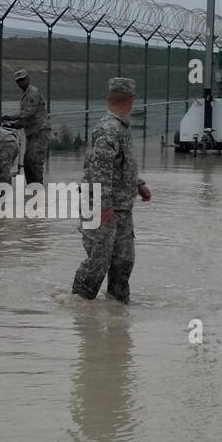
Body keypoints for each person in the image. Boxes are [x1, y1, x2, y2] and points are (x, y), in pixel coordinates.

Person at [71, 77, 152, 303]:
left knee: (123, 261)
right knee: (98, 262)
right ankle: (79, 307)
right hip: (103, 207)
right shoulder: (109, 129)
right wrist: (104, 206)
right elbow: (99, 170)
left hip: (121, 208)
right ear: (131, 100)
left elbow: (121, 165)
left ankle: (117, 309)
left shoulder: (121, 127)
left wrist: (138, 184)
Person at [4, 68, 49, 184]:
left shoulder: (32, 92)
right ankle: (32, 186)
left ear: (28, 79)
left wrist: (11, 118)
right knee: (28, 162)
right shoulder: (26, 94)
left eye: (23, 80)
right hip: (32, 132)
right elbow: (25, 119)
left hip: (39, 131)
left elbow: (27, 113)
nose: (21, 83)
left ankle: (37, 187)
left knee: (35, 161)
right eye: (19, 81)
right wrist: (12, 124)